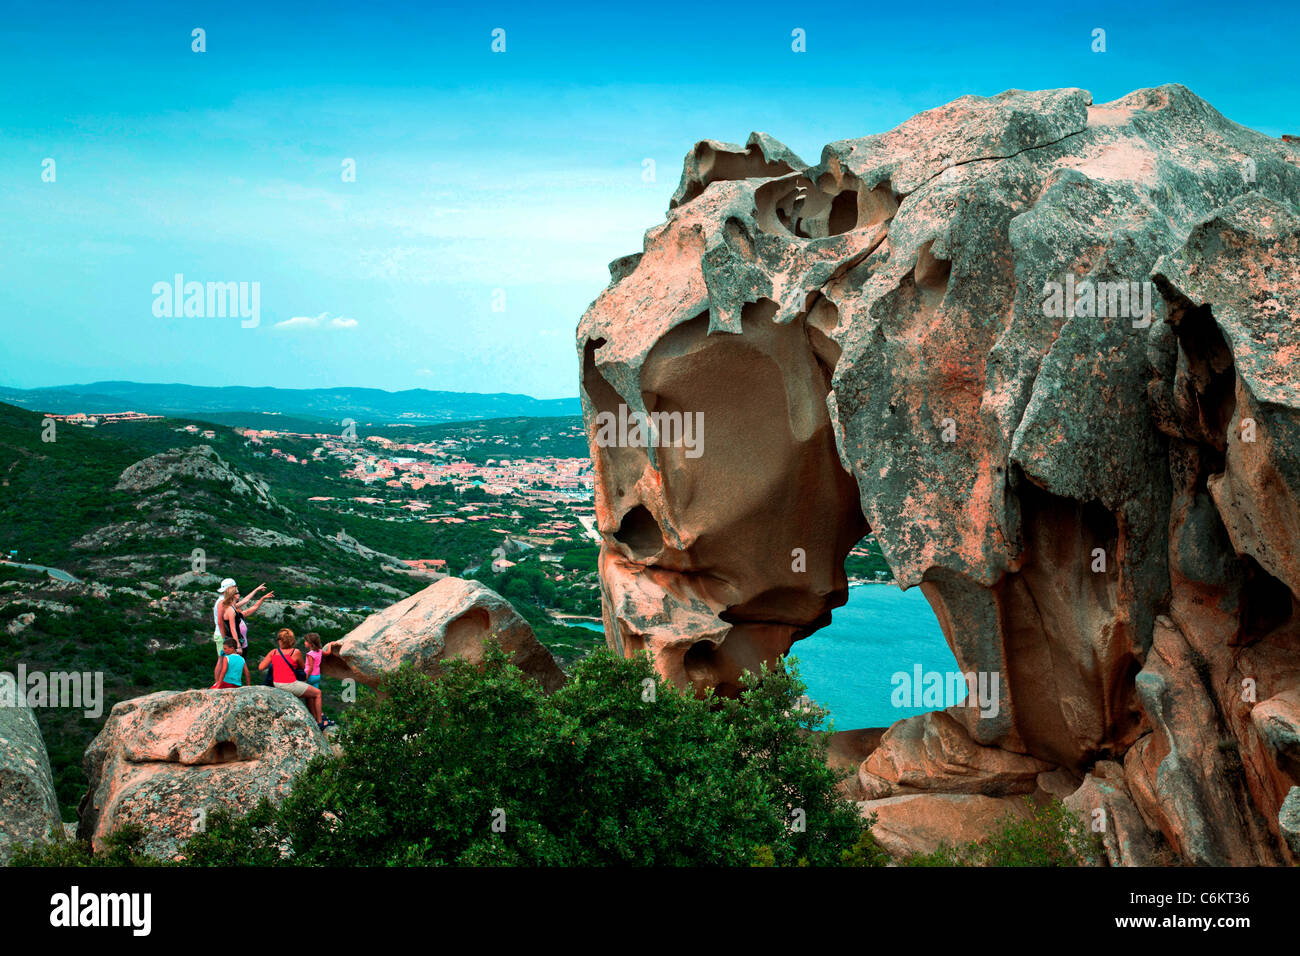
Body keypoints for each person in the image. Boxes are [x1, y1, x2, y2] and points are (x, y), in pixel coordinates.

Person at [259, 628, 324, 728]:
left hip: (277, 683)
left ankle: (314, 717)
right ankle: (320, 722)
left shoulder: (274, 652)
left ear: (280, 640)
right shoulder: (295, 652)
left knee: (309, 694)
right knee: (317, 693)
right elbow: (303, 667)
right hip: (290, 684)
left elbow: (261, 667)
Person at [216, 580, 273, 660]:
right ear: (234, 595)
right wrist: (238, 646)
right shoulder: (230, 610)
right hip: (234, 645)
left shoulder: (233, 608)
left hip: (239, 643)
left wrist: (262, 598)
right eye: (237, 593)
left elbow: (251, 608)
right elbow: (233, 629)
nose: (239, 594)